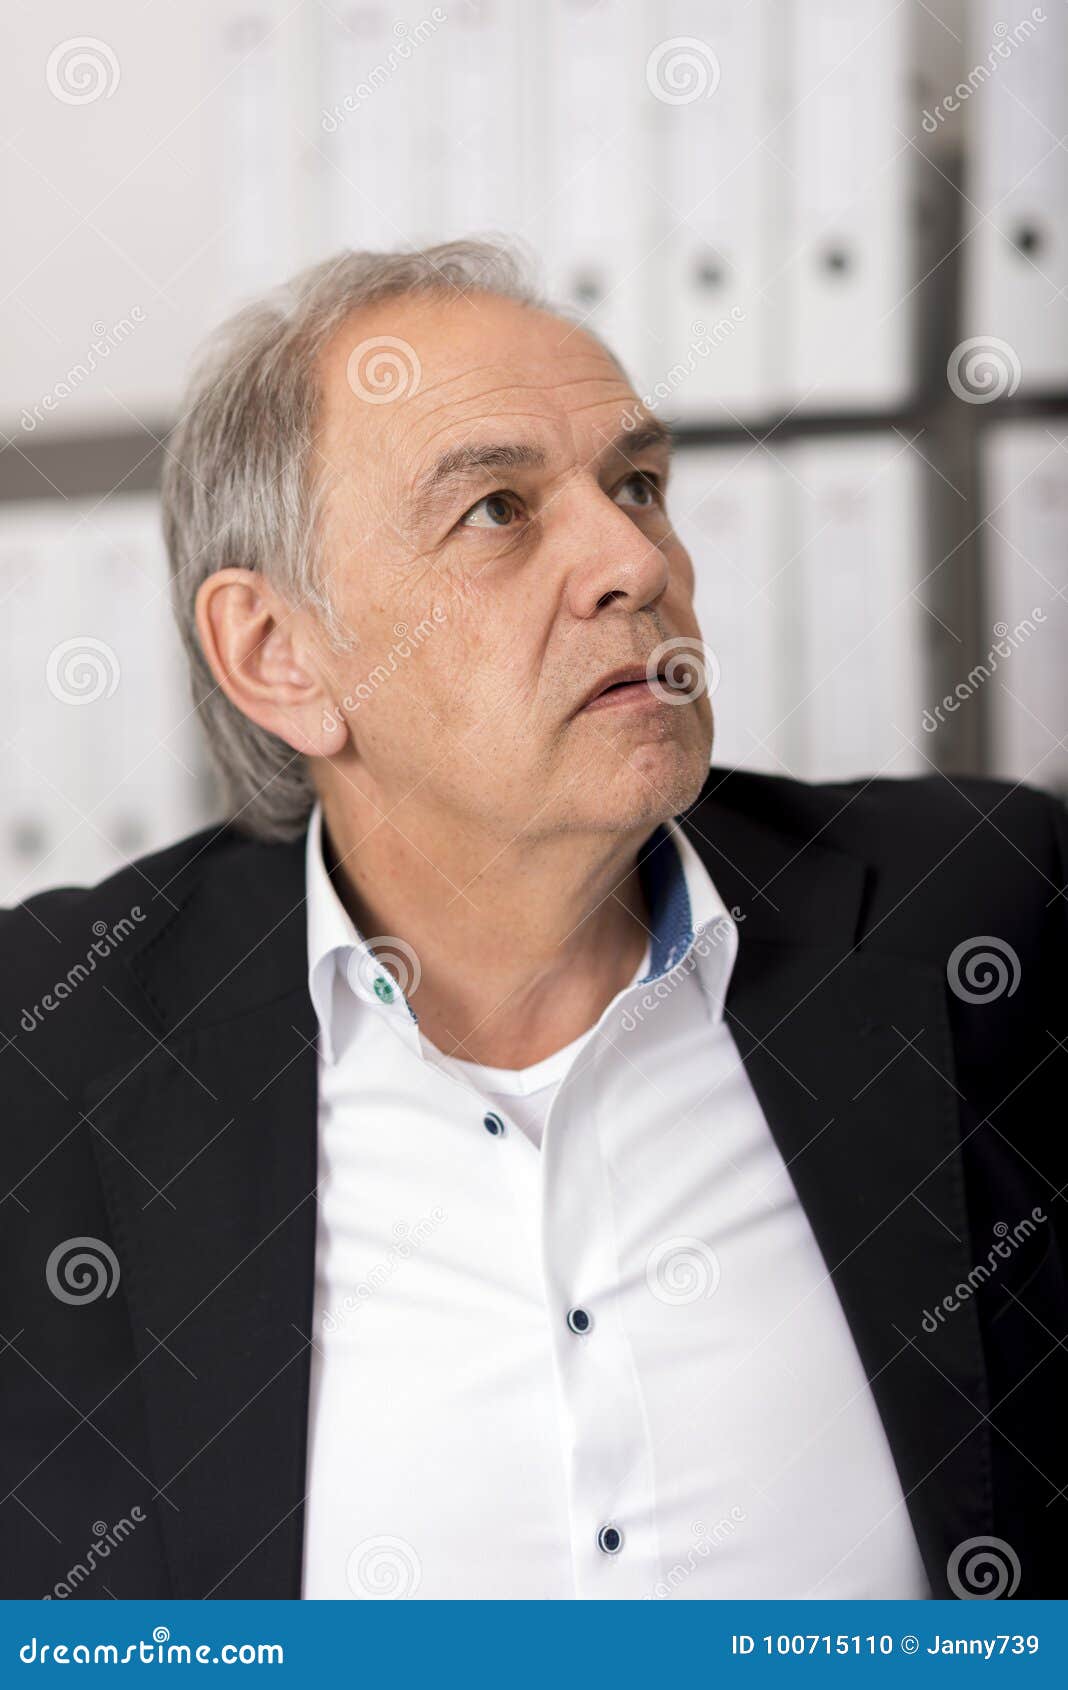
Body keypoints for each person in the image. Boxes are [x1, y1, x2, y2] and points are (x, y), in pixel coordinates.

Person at [2, 242, 1065, 1601]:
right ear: (279, 654)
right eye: (498, 510)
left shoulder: (990, 911)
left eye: (638, 485)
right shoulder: (47, 1048)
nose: (635, 559)